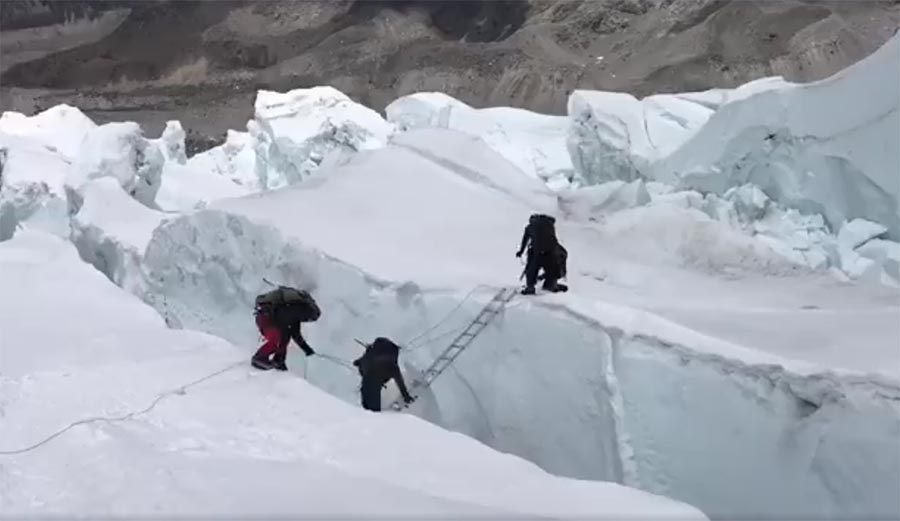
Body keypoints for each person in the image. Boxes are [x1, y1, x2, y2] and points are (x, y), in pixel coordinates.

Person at [251, 286, 320, 371]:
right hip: (266, 318)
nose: (307, 320)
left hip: (267, 318)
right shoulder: (293, 311)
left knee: (283, 337)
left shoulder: (295, 315)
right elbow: (290, 332)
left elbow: (296, 335)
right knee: (277, 339)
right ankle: (259, 358)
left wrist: (307, 350)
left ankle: (278, 361)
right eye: (309, 319)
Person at [353, 337, 415, 412]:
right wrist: (406, 396)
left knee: (365, 413)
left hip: (366, 383)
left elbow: (361, 362)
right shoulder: (392, 364)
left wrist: (358, 363)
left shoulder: (371, 354)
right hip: (375, 387)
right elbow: (400, 381)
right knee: (373, 415)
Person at [516, 213, 566, 295]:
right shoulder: (549, 226)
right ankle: (551, 285)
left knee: (532, 269)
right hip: (551, 252)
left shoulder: (530, 227)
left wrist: (520, 252)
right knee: (551, 269)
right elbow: (553, 240)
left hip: (537, 252)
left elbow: (525, 240)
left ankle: (530, 287)